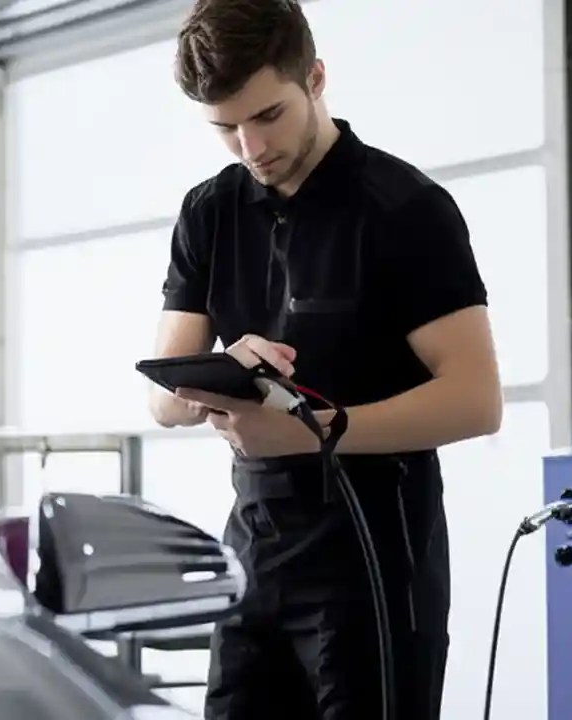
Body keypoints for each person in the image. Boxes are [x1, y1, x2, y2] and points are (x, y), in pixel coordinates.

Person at [148, 1, 504, 718]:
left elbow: (476, 400)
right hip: (253, 549)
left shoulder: (406, 210)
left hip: (374, 556)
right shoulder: (209, 213)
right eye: (225, 128)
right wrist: (225, 374)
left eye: (268, 116)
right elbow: (163, 400)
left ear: (314, 78)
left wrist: (320, 428)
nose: (250, 146)